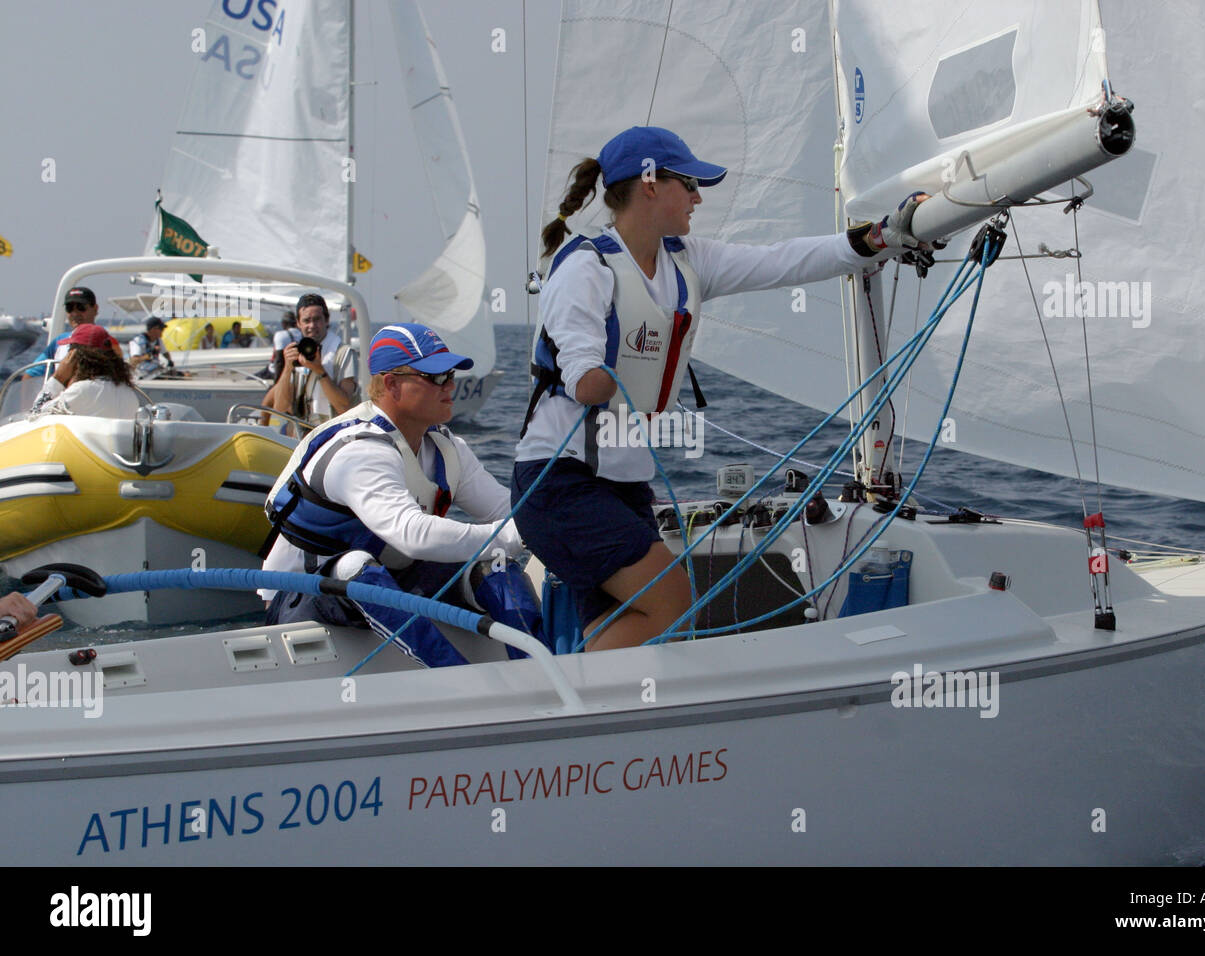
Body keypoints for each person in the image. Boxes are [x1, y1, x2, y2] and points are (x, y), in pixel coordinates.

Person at [513, 126, 931, 652]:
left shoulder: (687, 260)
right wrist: (598, 371)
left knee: (633, 632)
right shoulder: (584, 268)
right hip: (559, 484)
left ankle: (583, 721)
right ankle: (561, 719)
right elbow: (582, 377)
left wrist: (877, 239)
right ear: (648, 185)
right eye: (688, 183)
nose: (697, 196)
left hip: (625, 482)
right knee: (671, 605)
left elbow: (782, 260)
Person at [261, 323, 548, 668]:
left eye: (451, 375)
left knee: (496, 567)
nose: (451, 386)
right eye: (436, 376)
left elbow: (511, 510)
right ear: (392, 385)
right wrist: (515, 533)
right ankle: (457, 682)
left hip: (391, 580)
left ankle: (542, 674)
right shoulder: (360, 453)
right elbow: (413, 535)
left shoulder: (447, 449)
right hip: (300, 600)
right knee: (358, 568)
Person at [265, 292, 358, 425]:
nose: (312, 325)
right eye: (306, 320)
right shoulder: (297, 353)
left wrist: (319, 370)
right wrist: (287, 368)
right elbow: (280, 407)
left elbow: (344, 408)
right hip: (302, 436)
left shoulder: (344, 353)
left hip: (334, 434)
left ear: (326, 320)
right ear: (298, 323)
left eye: (317, 319)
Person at [29, 322, 138, 419]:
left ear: (76, 356)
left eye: (70, 350)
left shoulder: (81, 391)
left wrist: (58, 378)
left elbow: (35, 415)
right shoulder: (129, 393)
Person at [26, 286, 99, 378]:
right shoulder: (60, 342)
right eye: (69, 308)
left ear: (95, 309)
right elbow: (31, 374)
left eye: (81, 307)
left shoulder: (107, 342)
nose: (75, 314)